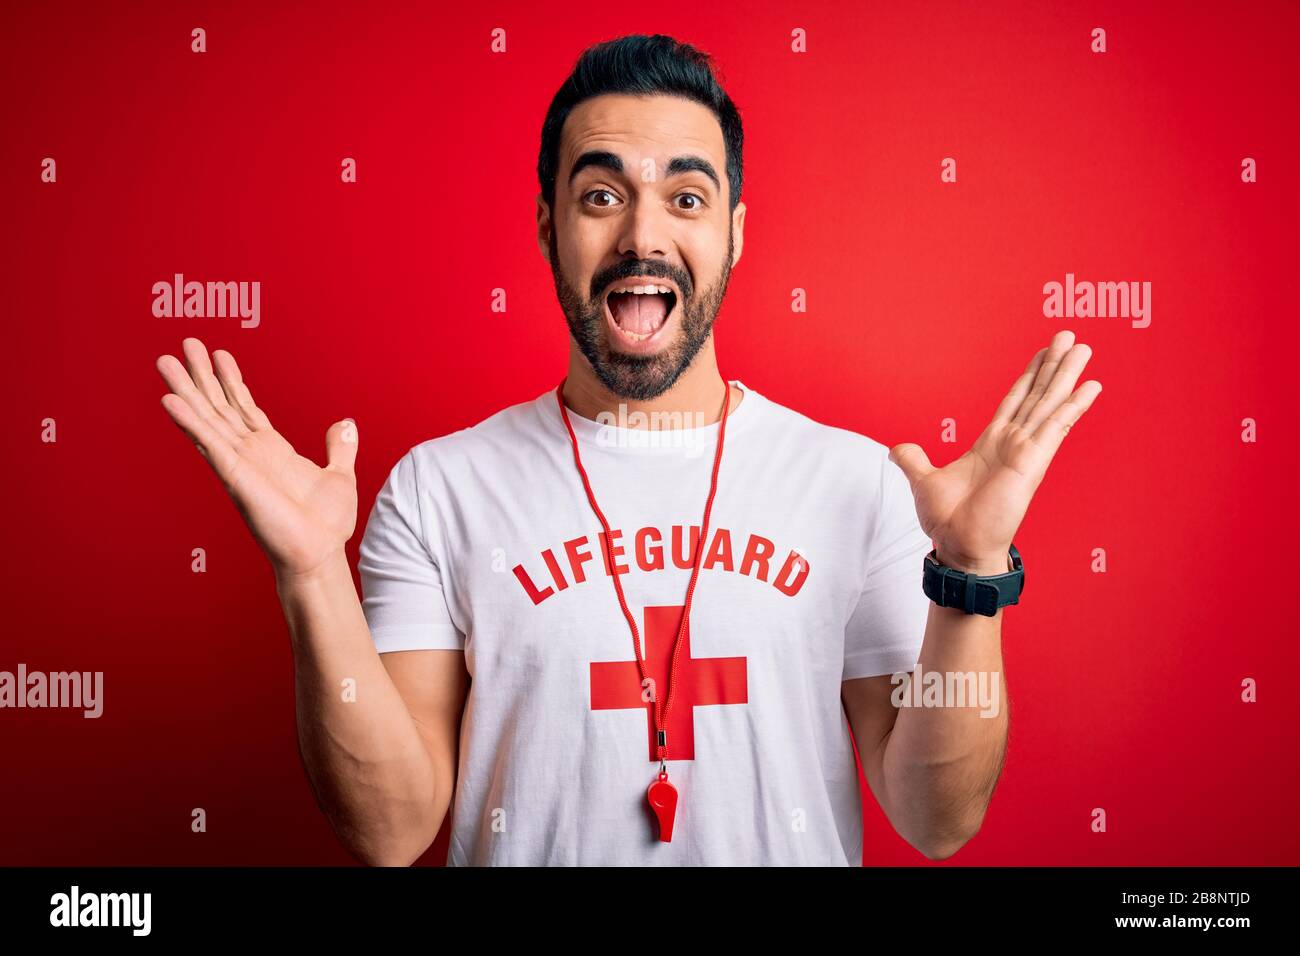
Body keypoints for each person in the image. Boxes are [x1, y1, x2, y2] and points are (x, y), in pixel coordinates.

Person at [154, 34, 1101, 866]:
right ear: (546, 226)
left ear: (733, 234)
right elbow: (391, 829)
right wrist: (313, 575)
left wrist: (971, 571)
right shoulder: (438, 491)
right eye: (601, 194)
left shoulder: (855, 486)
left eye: (687, 197)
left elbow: (937, 817)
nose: (643, 236)